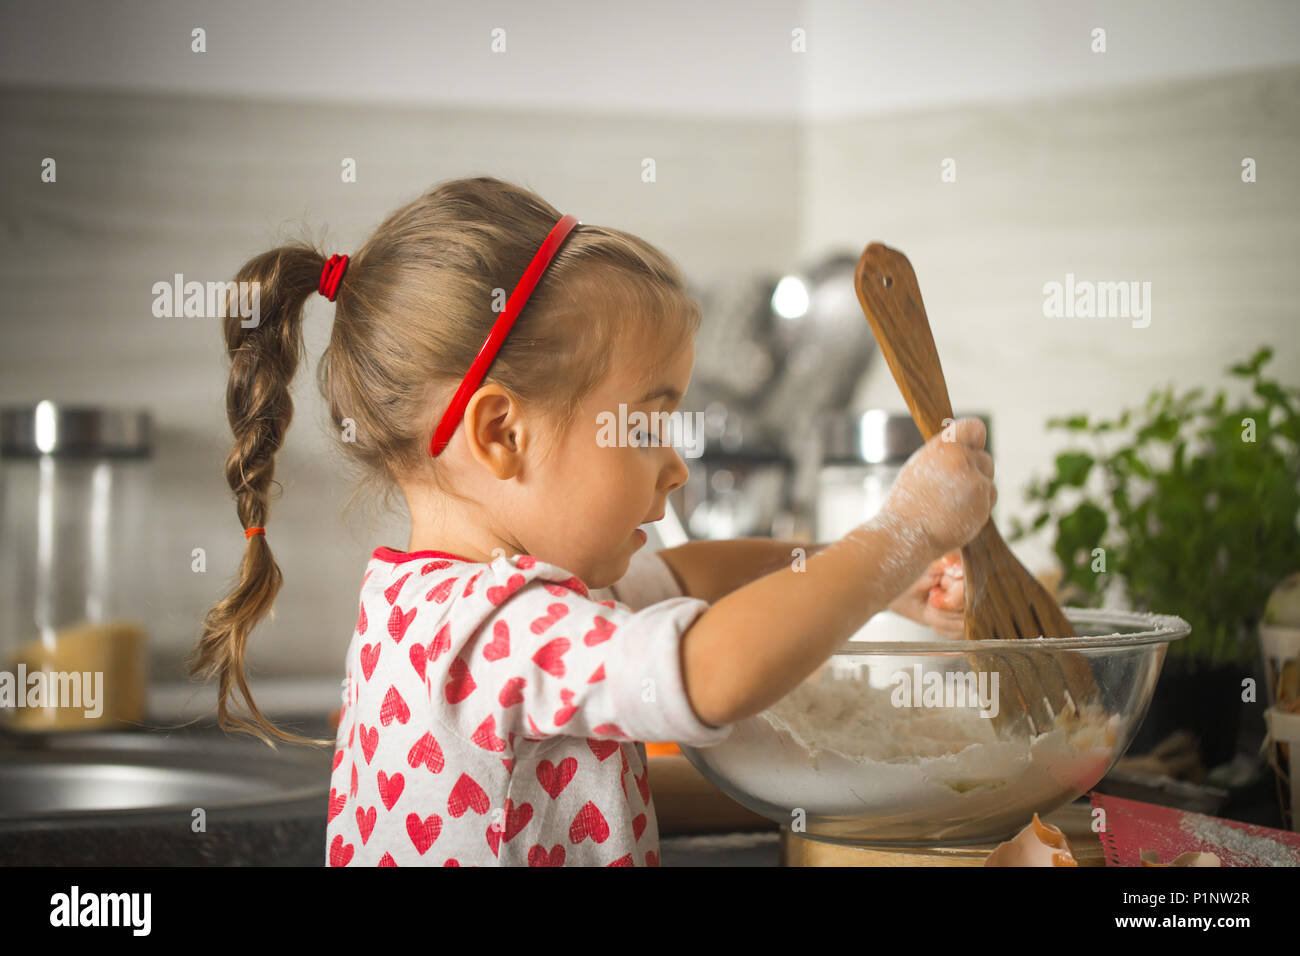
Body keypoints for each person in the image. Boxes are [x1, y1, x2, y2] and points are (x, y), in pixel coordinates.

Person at [191, 176, 993, 866]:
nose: (675, 467)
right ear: (502, 434)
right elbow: (710, 673)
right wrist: (899, 538)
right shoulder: (499, 629)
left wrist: (885, 579)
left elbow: (690, 576)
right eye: (646, 427)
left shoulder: (437, 599)